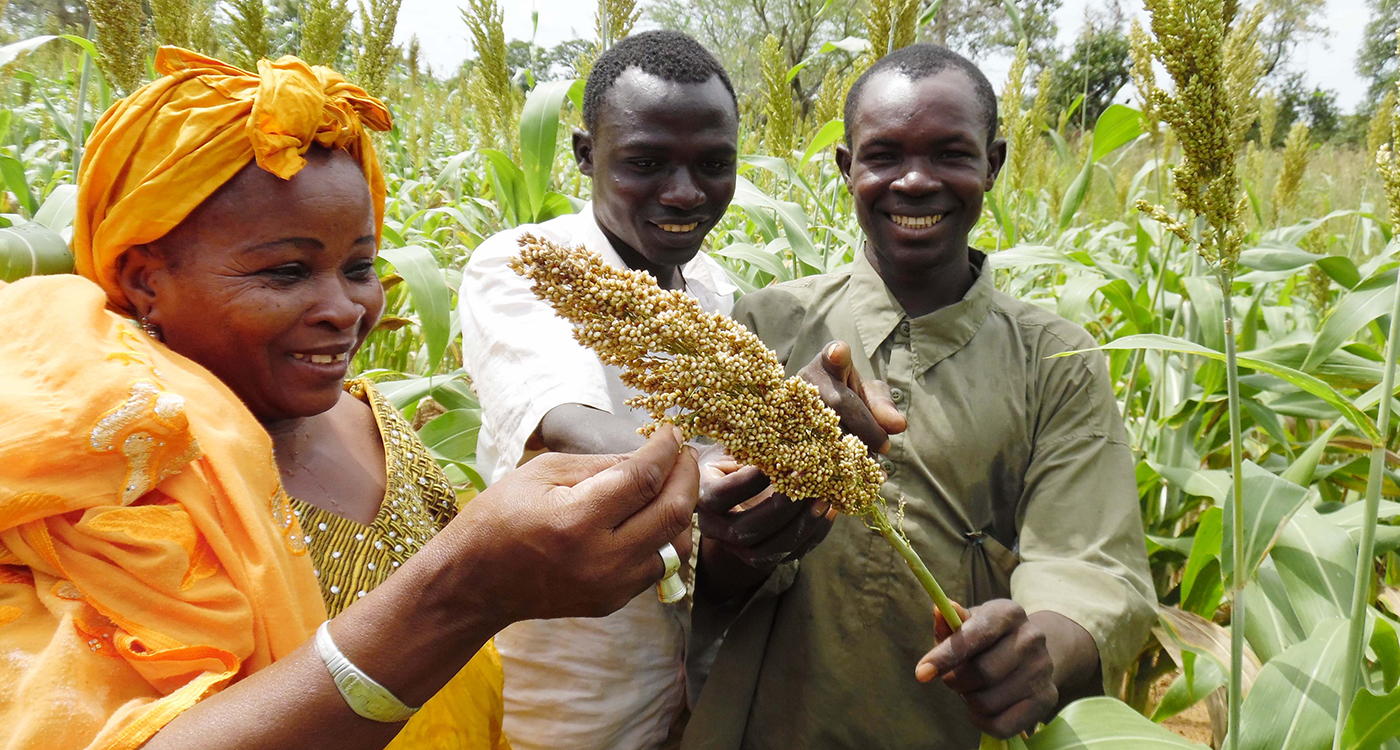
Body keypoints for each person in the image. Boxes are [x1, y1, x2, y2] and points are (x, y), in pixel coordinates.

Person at [0, 47, 698, 750]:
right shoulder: (99, 469)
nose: (345, 308)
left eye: (360, 266)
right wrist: (464, 594)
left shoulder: (367, 415)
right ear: (145, 279)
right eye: (287, 271)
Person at [683, 44, 1156, 748]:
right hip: (772, 721)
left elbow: (1090, 564)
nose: (914, 181)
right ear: (847, 168)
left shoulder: (1057, 358)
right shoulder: (765, 324)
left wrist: (1040, 649)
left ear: (993, 164)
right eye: (884, 155)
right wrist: (748, 510)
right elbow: (701, 548)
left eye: (950, 154)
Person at [459, 29, 847, 750]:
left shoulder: (717, 295)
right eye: (646, 162)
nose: (683, 193)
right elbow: (565, 423)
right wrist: (725, 458)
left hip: (680, 696)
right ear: (584, 155)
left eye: (713, 165)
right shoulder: (526, 266)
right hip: (559, 707)